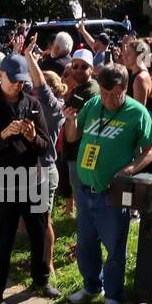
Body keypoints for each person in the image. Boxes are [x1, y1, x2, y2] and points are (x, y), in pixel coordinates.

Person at [62, 64, 152, 304]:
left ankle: (114, 295)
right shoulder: (93, 104)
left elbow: (151, 150)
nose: (108, 100)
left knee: (115, 247)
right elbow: (72, 137)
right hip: (85, 190)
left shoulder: (137, 113)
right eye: (104, 94)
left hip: (112, 194)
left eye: (114, 95)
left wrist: (130, 169)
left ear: (125, 88)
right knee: (85, 244)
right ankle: (92, 286)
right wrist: (70, 121)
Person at [0, 54, 59, 304]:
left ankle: (41, 278)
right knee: (2, 240)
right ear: (1, 75)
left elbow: (46, 145)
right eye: (14, 81)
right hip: (5, 184)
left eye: (22, 82)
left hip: (32, 180)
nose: (18, 86)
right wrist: (4, 135)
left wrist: (33, 137)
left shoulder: (32, 104)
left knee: (38, 233)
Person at [24, 41, 67, 275]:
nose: (31, 89)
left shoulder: (49, 107)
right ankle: (38, 259)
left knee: (44, 220)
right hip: (31, 171)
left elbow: (40, 83)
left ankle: (48, 264)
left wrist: (29, 56)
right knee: (35, 221)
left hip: (44, 171)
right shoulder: (35, 106)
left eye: (34, 86)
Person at [60, 49, 99, 218]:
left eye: (84, 67)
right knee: (77, 188)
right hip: (75, 148)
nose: (78, 70)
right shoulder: (80, 88)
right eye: (75, 66)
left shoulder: (89, 91)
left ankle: (85, 225)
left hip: (80, 149)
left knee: (81, 190)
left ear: (92, 69)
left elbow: (70, 117)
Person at [120, 38, 152, 106]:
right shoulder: (134, 72)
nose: (125, 56)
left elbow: (138, 110)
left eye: (129, 54)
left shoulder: (140, 79)